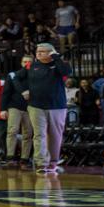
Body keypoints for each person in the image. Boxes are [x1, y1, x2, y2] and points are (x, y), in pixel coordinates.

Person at [25, 43, 73, 174]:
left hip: (56, 106)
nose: (38, 53)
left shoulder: (59, 64)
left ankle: (53, 162)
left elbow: (67, 72)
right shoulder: (33, 66)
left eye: (42, 51)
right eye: (37, 51)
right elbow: (20, 78)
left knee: (55, 135)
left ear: (50, 53)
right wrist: (24, 90)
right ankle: (41, 163)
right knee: (39, 134)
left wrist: (56, 58)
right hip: (35, 106)